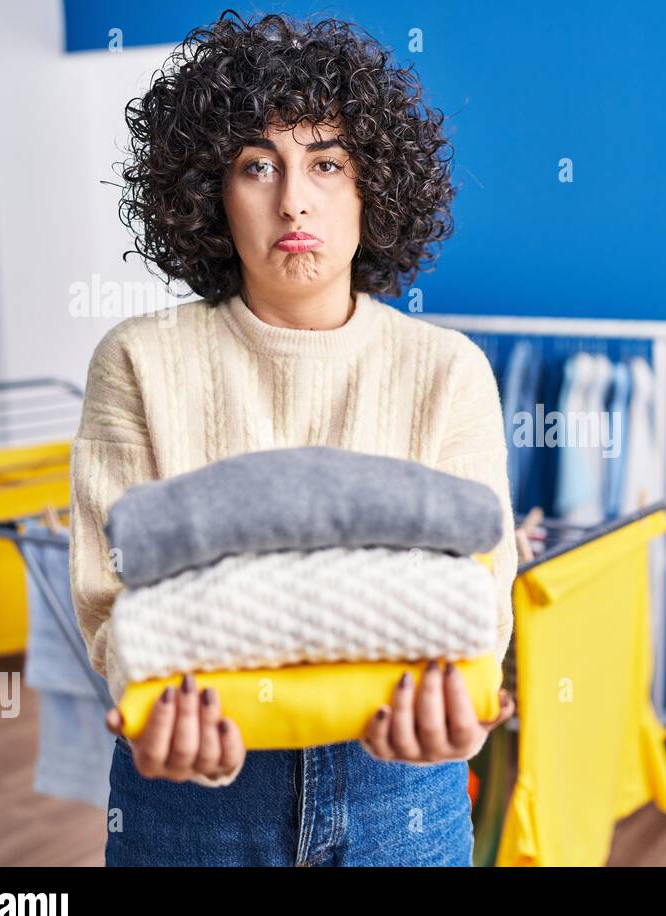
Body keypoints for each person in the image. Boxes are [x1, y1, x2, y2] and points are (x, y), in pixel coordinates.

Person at [69, 9, 517, 866]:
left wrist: (456, 707)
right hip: (192, 802)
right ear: (209, 192)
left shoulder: (446, 371)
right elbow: (108, 600)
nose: (293, 198)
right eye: (256, 166)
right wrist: (148, 697)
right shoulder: (137, 362)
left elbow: (482, 597)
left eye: (327, 162)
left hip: (401, 797)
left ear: (371, 188)